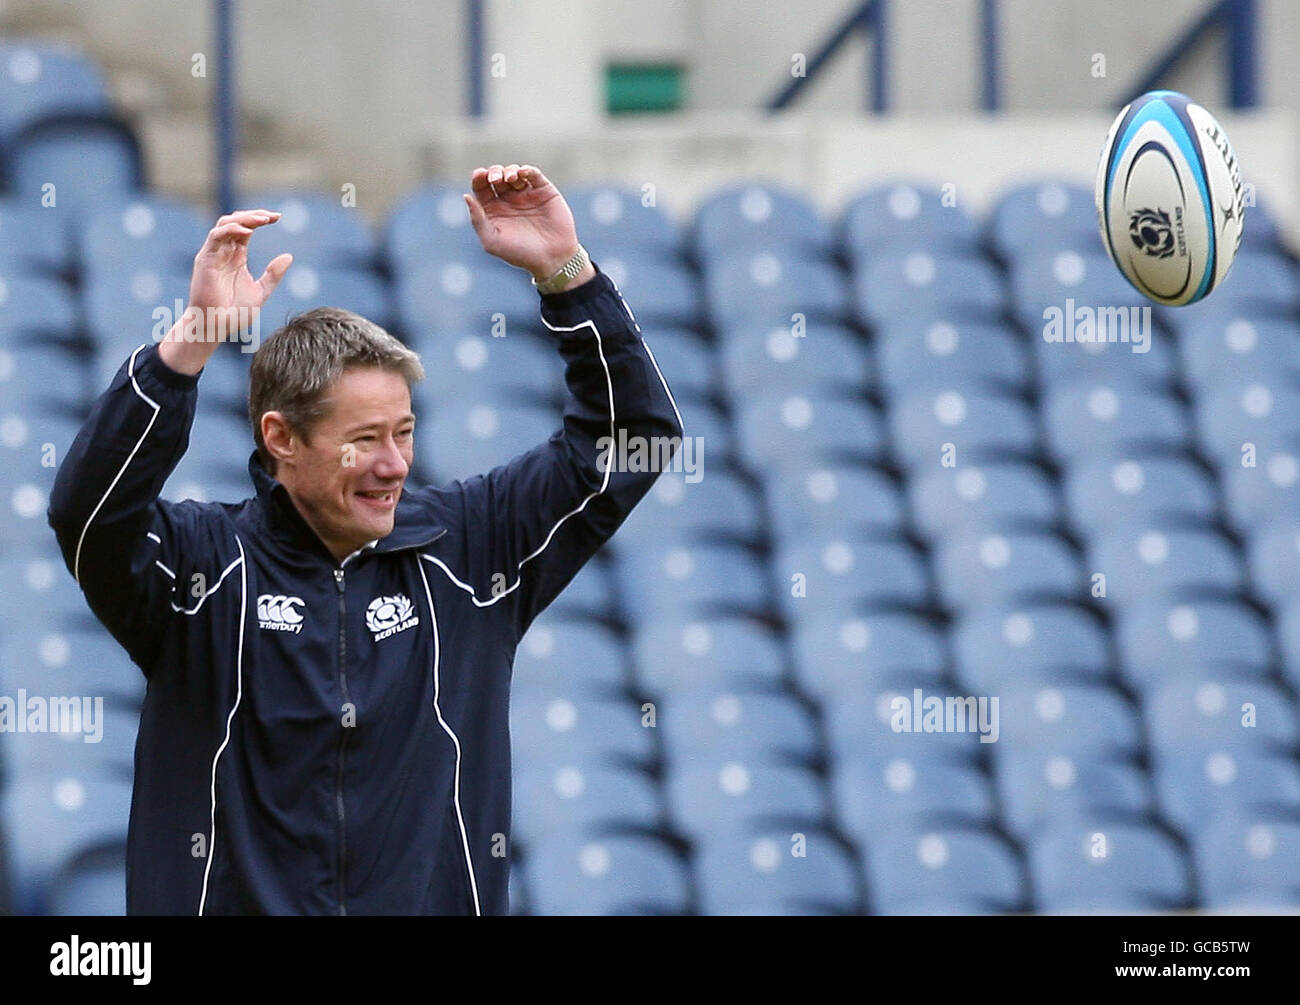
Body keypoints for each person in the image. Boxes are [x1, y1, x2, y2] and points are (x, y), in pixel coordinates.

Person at [47, 163, 684, 915]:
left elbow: (632, 436)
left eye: (405, 432)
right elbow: (88, 510)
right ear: (281, 437)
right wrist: (192, 342)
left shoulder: (470, 548)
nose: (394, 464)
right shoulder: (200, 571)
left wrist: (566, 274)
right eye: (365, 439)